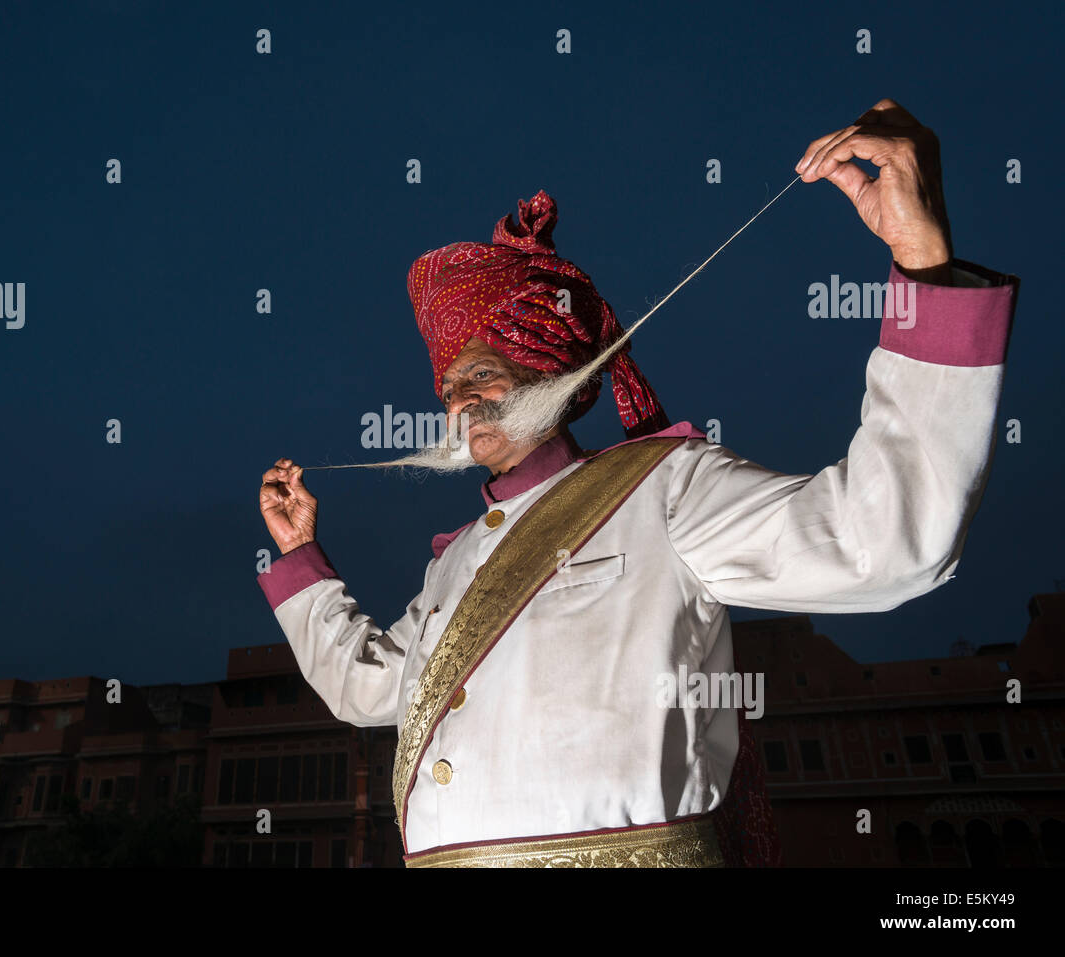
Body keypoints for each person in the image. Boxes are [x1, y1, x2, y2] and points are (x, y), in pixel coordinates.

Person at [257, 99, 1018, 867]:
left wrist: (923, 261)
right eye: (447, 389)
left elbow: (886, 540)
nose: (458, 405)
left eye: (480, 374)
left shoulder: (663, 490)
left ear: (549, 368)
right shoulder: (453, 564)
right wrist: (300, 559)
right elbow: (368, 692)